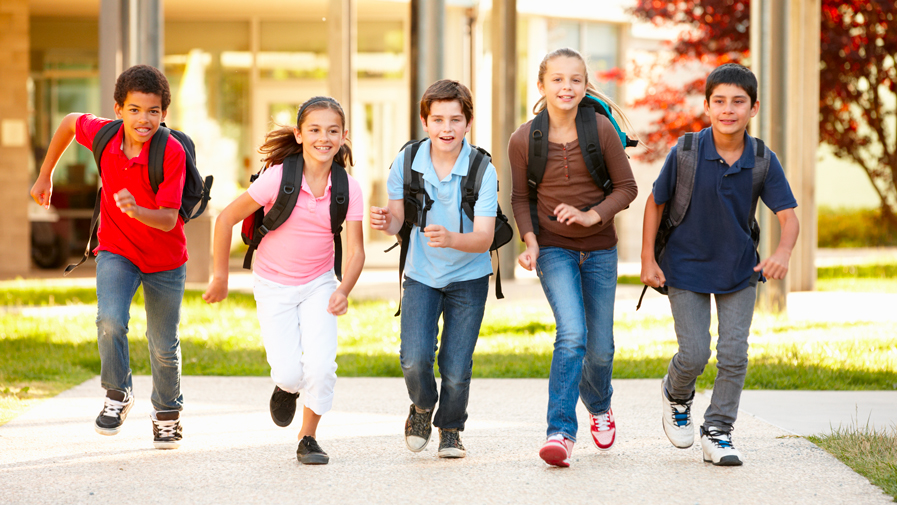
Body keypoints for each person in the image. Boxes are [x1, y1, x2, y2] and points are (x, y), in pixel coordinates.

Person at [640, 63, 799, 466]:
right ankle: (676, 394)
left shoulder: (763, 159)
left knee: (734, 354)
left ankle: (718, 430)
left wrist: (781, 254)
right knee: (694, 353)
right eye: (720, 101)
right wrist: (647, 258)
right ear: (708, 106)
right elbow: (655, 202)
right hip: (685, 267)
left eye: (738, 102)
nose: (729, 110)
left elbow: (789, 217)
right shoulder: (688, 151)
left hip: (739, 269)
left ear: (753, 107)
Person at [30, 65, 189, 449]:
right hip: (117, 250)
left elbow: (169, 219)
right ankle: (118, 393)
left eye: (153, 111)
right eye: (134, 110)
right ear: (118, 109)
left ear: (164, 113)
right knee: (110, 320)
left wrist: (136, 211)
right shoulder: (103, 134)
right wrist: (45, 174)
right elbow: (69, 121)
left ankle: (167, 413)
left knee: (162, 342)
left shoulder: (171, 152)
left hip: (165, 259)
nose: (143, 119)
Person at [202, 96, 365, 465]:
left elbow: (356, 252)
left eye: (333, 130)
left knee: (322, 367)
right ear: (299, 134)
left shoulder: (348, 187)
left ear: (343, 136)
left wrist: (343, 289)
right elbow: (225, 219)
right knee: (290, 372)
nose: (324, 138)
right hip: (273, 283)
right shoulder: (279, 177)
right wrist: (220, 277)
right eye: (315, 130)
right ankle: (287, 387)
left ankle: (308, 437)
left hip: (320, 283)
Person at [508, 48, 638, 467]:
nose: (567, 87)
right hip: (553, 248)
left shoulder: (600, 130)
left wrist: (591, 215)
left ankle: (599, 406)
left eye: (575, 80)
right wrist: (530, 241)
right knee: (572, 334)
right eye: (558, 79)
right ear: (542, 86)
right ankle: (560, 431)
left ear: (585, 86)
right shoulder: (524, 138)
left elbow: (627, 188)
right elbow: (520, 197)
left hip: (600, 249)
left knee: (599, 349)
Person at [370, 79, 497, 459]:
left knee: (457, 367)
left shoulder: (482, 169)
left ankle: (452, 428)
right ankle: (422, 407)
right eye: (438, 119)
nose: (447, 128)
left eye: (455, 120)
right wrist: (385, 222)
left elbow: (485, 238)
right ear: (424, 121)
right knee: (413, 357)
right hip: (422, 275)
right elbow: (397, 220)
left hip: (469, 279)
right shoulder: (407, 162)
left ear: (468, 123)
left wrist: (451, 238)